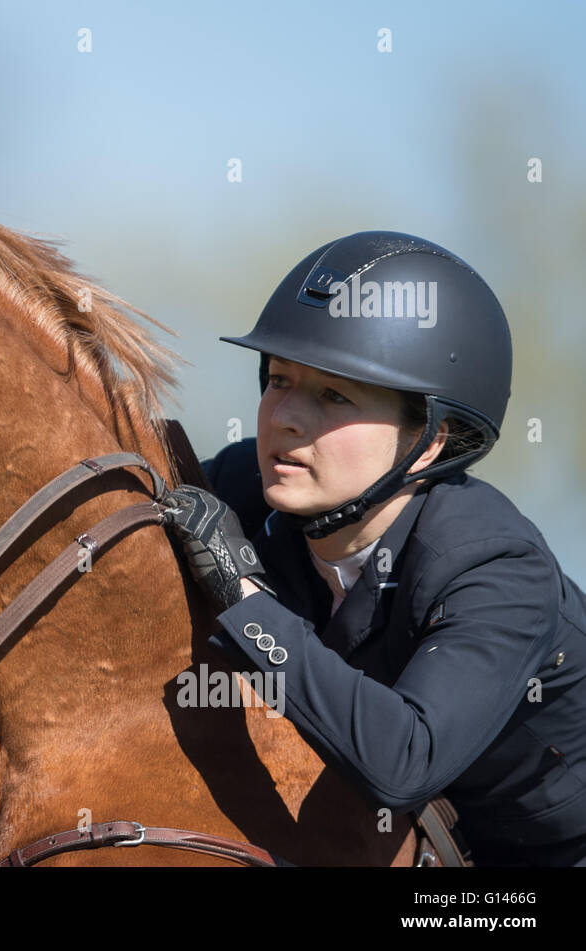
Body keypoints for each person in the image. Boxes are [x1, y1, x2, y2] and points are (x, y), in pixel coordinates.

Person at [158, 231, 586, 866]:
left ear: (432, 440)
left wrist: (243, 595)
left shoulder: (495, 567)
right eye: (278, 379)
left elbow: (403, 761)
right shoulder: (249, 489)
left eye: (334, 395)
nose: (285, 418)